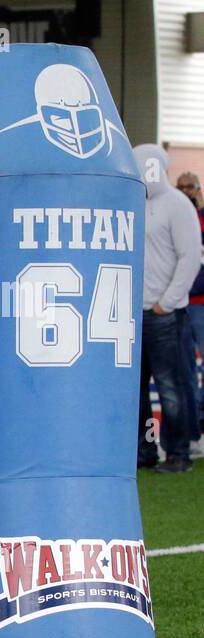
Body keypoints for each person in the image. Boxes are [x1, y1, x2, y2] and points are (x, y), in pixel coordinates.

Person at [133, 145, 199, 473]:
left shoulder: (178, 205)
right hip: (134, 316)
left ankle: (177, 453)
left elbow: (189, 258)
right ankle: (145, 451)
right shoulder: (131, 204)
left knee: (171, 388)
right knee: (138, 392)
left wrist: (166, 303)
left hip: (165, 316)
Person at [176, 171, 204, 455]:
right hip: (182, 304)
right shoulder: (173, 213)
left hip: (201, 304)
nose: (186, 191)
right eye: (181, 186)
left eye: (190, 187)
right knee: (184, 370)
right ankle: (192, 430)